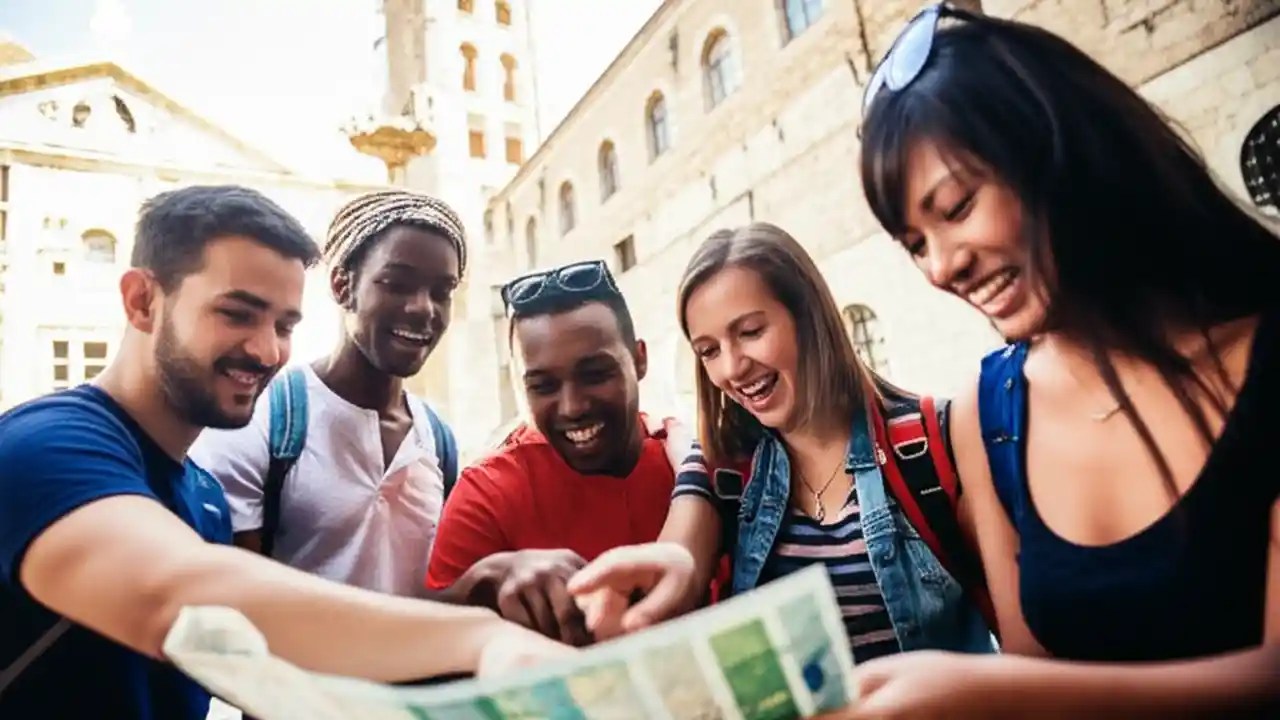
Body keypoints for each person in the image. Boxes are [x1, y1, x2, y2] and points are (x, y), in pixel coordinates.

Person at [829, 3, 1279, 716]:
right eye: (914, 243)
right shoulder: (988, 412)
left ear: (1053, 148)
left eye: (958, 206)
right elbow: (1040, 683)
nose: (943, 266)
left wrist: (982, 687)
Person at [0, 185, 568, 720]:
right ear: (142, 300)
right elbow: (177, 594)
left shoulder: (202, 499)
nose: (266, 349)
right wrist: (480, 638)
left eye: (285, 324)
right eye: (237, 314)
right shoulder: (47, 445)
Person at [568, 223, 994, 665]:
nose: (732, 367)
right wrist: (645, 588)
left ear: (808, 317)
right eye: (709, 351)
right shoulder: (723, 465)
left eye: (750, 332)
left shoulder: (935, 441)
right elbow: (679, 558)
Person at [425, 260, 681, 647]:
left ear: (639, 359)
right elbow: (430, 638)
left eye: (595, 375)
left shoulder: (694, 462)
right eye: (543, 386)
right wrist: (485, 582)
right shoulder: (488, 494)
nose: (572, 406)